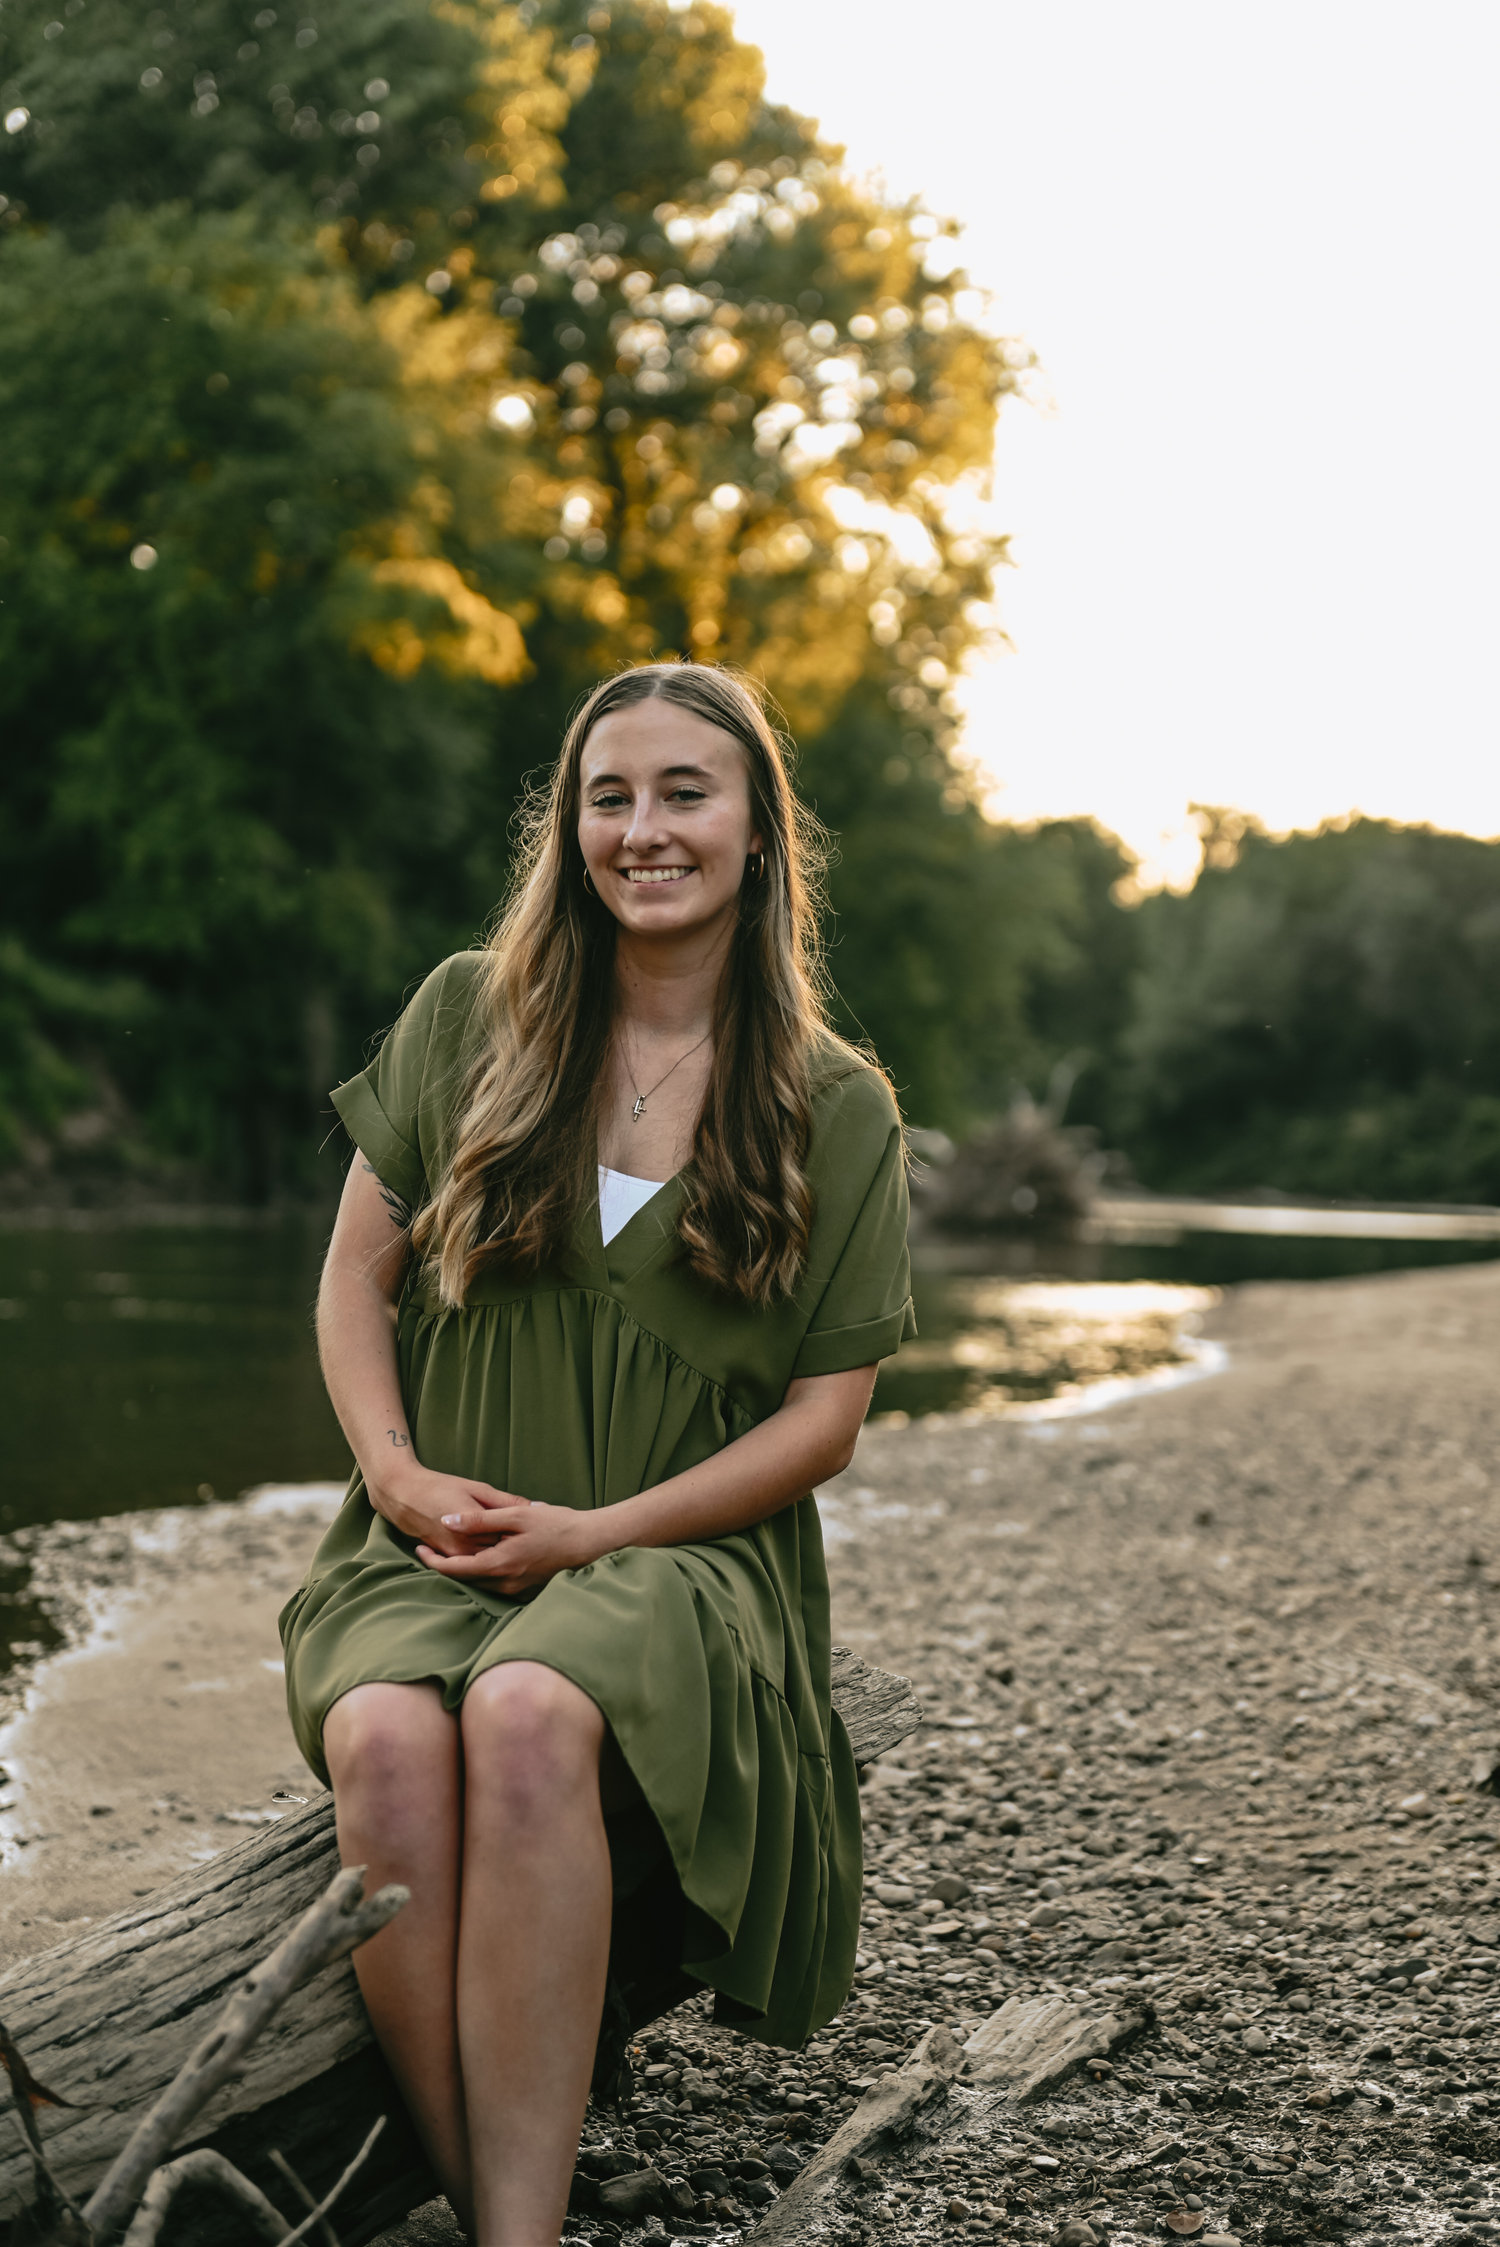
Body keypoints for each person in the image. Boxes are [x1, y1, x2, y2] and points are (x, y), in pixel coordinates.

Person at [280, 660, 915, 2247]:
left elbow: (822, 1427)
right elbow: (354, 1284)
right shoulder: (465, 1019)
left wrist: (595, 1535)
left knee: (529, 1711)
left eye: (684, 793)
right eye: (607, 797)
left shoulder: (837, 1110)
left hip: (675, 1558)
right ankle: (497, 2198)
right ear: (566, 830)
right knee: (385, 1749)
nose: (643, 830)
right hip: (432, 1532)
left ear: (762, 830)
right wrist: (400, 1474)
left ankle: (515, 2231)